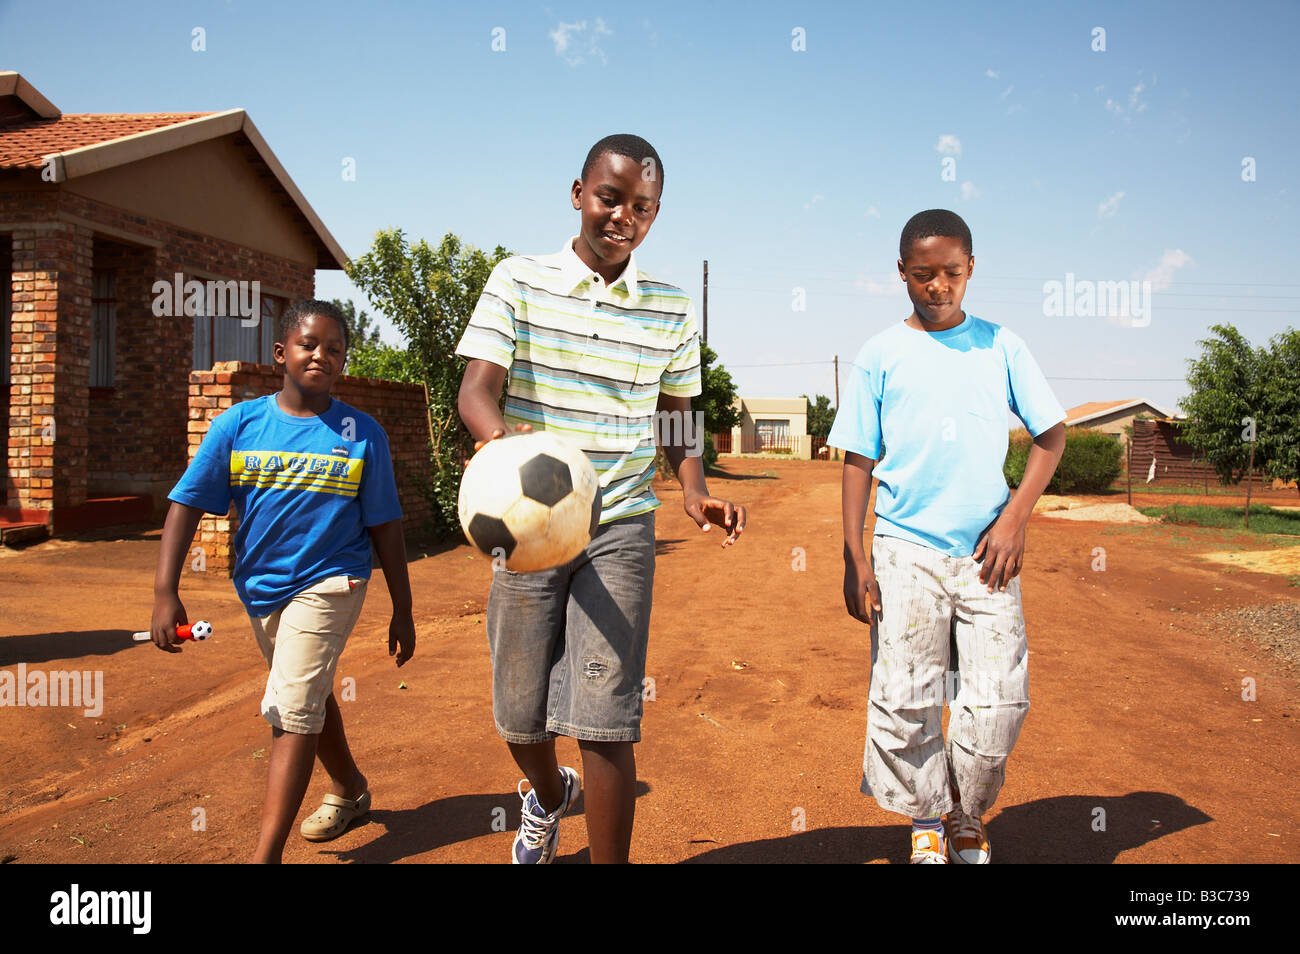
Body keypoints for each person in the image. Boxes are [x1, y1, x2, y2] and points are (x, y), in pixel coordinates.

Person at [456, 133, 747, 864]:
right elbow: (477, 390)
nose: (623, 216)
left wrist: (693, 488)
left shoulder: (670, 307)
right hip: (526, 528)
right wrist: (501, 446)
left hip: (618, 519)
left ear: (655, 214)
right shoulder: (518, 279)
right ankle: (547, 796)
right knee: (519, 716)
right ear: (579, 193)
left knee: (607, 713)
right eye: (610, 198)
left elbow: (676, 418)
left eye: (642, 207)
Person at [830, 209, 1066, 864]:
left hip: (988, 555)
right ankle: (930, 819)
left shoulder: (1002, 345)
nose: (939, 287)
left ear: (971, 269)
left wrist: (1015, 518)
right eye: (923, 275)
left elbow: (1052, 436)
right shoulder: (881, 354)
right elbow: (858, 461)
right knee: (908, 694)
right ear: (902, 273)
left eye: (952, 274)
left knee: (997, 703)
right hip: (904, 550)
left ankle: (968, 806)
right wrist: (856, 560)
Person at [150, 299, 416, 863]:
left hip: (333, 580)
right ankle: (349, 790)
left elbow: (386, 525)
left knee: (292, 704)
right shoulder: (239, 425)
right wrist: (165, 591)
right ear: (281, 354)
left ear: (344, 362)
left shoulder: (360, 433)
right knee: (309, 692)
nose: (321, 355)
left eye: (335, 349)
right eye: (308, 345)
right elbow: (185, 504)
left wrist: (403, 607)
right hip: (261, 588)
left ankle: (264, 856)